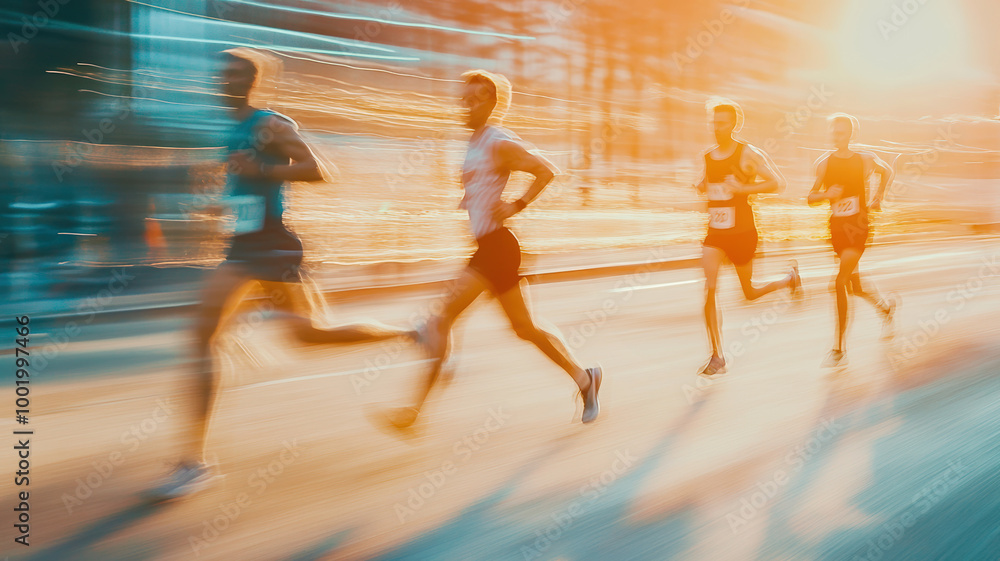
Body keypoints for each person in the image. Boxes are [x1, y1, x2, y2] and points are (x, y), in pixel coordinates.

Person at [149, 49, 416, 500]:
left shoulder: (270, 123)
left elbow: (318, 170)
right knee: (270, 336)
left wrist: (262, 169)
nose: (223, 81)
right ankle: (410, 333)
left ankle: (193, 463)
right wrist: (217, 204)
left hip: (272, 245)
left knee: (254, 338)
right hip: (244, 245)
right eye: (220, 73)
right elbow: (242, 186)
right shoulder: (231, 129)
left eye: (233, 74)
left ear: (251, 81)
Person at [378, 69, 602, 430]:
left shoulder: (498, 141)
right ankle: (584, 379)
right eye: (462, 99)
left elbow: (546, 170)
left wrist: (517, 204)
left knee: (441, 319)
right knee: (524, 329)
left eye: (474, 99)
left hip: (497, 248)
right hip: (490, 247)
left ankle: (415, 411)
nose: (465, 106)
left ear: (492, 104)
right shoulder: (475, 141)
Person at [696, 99, 800, 376]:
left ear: (734, 124)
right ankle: (717, 356)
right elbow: (708, 183)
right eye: (713, 122)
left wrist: (742, 188)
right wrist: (702, 185)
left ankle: (788, 280)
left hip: (742, 232)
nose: (715, 127)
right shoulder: (708, 156)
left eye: (721, 123)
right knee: (710, 289)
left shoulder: (748, 154)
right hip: (716, 233)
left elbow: (778, 183)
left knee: (749, 293)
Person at [807, 113, 896, 367]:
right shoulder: (824, 163)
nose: (837, 136)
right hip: (836, 228)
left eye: (842, 132)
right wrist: (827, 194)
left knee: (839, 282)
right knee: (854, 286)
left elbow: (887, 170)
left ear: (851, 135)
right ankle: (886, 309)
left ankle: (839, 347)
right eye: (834, 132)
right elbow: (810, 197)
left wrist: (878, 196)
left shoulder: (864, 159)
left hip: (858, 226)